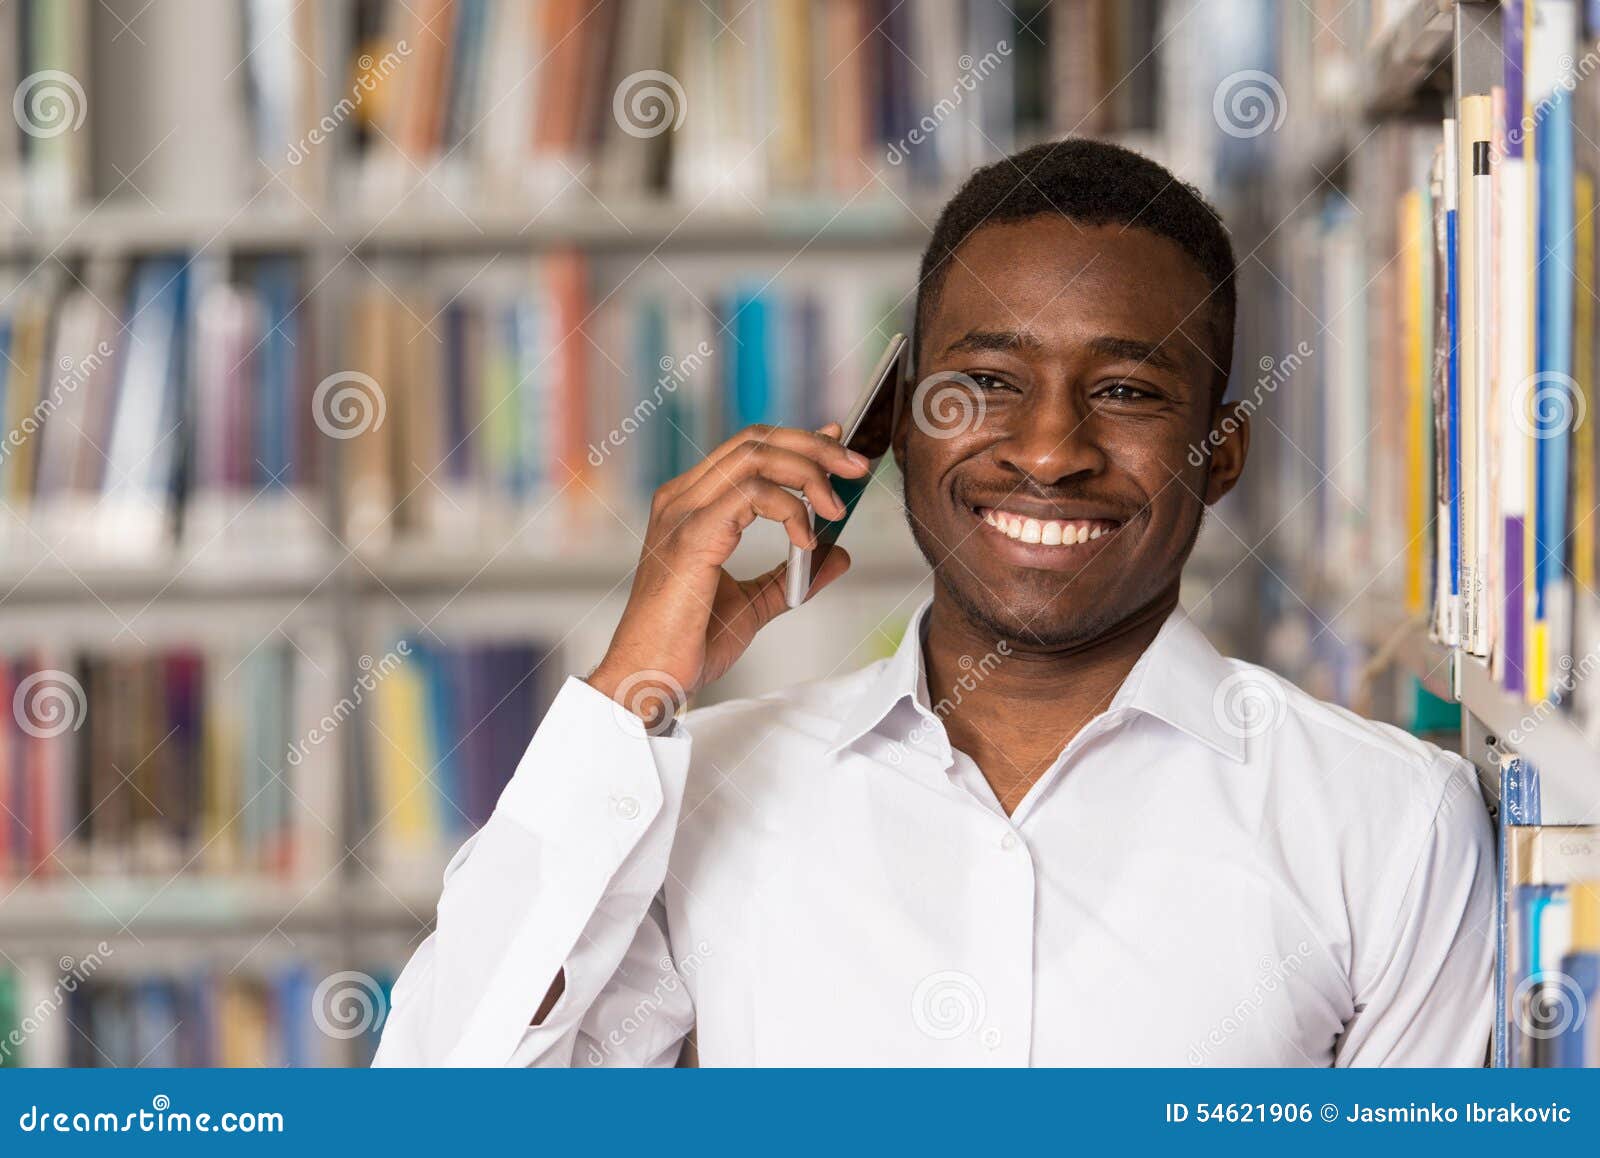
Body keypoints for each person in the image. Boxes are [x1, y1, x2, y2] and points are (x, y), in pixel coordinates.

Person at [374, 139, 1493, 1067]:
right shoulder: (703, 794)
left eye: (1126, 391)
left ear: (1221, 453)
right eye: (989, 384)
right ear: (898, 425)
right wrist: (630, 693)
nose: (1050, 452)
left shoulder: (1388, 825)